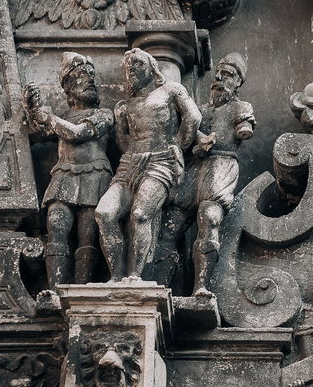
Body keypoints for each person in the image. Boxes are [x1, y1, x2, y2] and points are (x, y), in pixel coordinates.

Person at [95, 48, 202, 281]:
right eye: (128, 68)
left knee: (141, 214)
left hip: (161, 162)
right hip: (130, 165)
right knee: (104, 213)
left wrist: (177, 146)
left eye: (137, 65)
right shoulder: (123, 107)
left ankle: (135, 275)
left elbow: (193, 117)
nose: (131, 70)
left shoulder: (169, 91)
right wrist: (134, 155)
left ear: (151, 68)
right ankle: (116, 275)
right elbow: (122, 138)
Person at [153, 53, 255, 293]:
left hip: (220, 166)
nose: (218, 78)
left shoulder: (239, 107)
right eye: (218, 73)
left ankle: (201, 287)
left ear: (238, 82)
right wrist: (196, 144)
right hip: (193, 169)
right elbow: (185, 140)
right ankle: (157, 286)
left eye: (228, 75)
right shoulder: (200, 109)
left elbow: (244, 129)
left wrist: (242, 126)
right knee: (170, 227)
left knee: (209, 218)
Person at [23, 53, 114, 288]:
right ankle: (55, 290)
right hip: (65, 174)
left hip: (95, 174)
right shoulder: (63, 117)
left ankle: (81, 290)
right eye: (83, 75)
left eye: (92, 75)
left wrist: (49, 118)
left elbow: (78, 134)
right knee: (56, 224)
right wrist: (32, 108)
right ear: (68, 86)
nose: (90, 80)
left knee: (88, 234)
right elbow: (33, 135)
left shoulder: (103, 115)